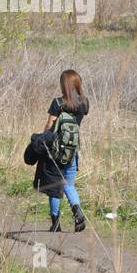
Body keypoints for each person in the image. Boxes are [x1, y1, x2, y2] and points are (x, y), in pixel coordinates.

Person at [44, 69, 89, 232]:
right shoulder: (84, 103)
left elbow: (49, 126)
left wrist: (42, 140)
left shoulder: (57, 103)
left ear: (63, 85)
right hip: (73, 151)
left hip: (56, 152)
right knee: (69, 184)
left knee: (55, 186)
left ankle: (55, 223)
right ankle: (77, 211)